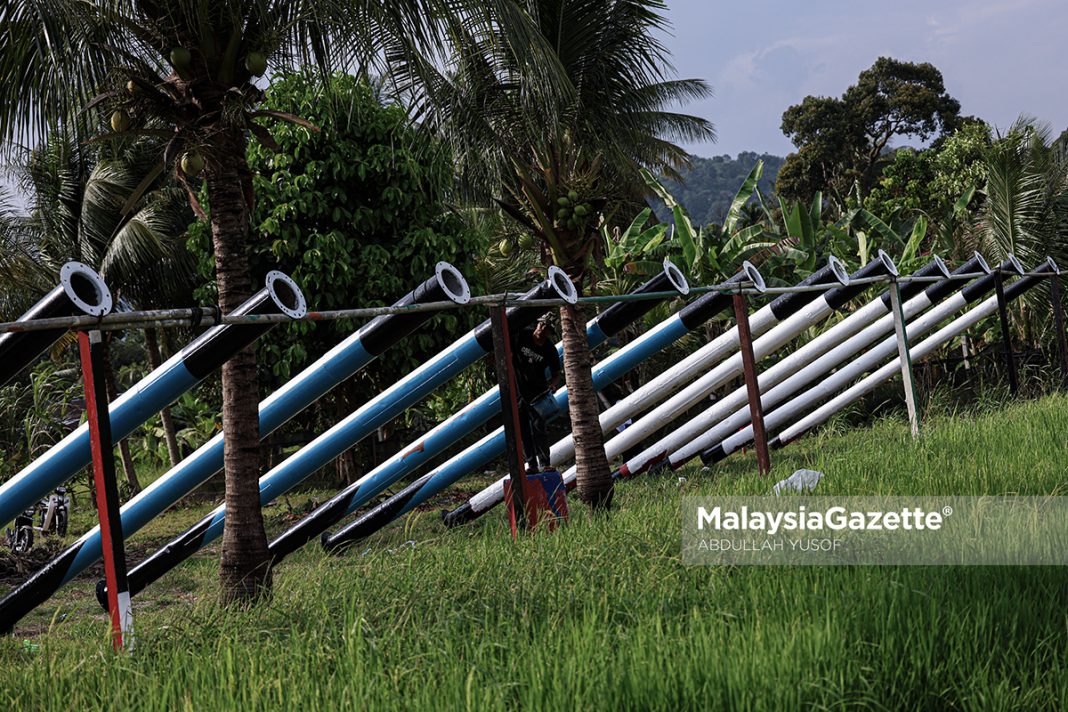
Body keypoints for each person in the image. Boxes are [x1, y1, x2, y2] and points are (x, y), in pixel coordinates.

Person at [511, 317, 562, 473]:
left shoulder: (549, 349)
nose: (541, 328)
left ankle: (545, 463)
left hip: (538, 394)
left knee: (539, 428)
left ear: (549, 332)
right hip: (519, 392)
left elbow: (556, 372)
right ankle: (531, 465)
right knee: (523, 430)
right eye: (541, 324)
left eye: (545, 327)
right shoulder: (522, 336)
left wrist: (553, 385)